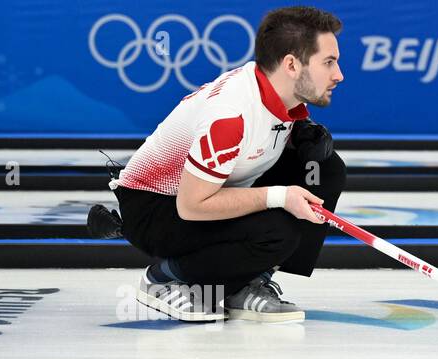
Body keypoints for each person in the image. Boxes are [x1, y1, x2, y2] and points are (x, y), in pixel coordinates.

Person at [110, 6, 346, 322]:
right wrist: (279, 196)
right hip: (156, 210)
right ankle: (168, 278)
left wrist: (299, 136)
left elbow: (260, 137)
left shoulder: (274, 87)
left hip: (209, 190)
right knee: (280, 229)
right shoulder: (230, 116)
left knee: (324, 169)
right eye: (328, 62)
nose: (338, 74)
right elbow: (191, 206)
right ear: (291, 64)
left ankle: (244, 282)